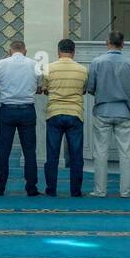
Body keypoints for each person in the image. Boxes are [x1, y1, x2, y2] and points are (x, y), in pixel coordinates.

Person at [84, 32, 130, 198]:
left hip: (103, 111)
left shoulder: (96, 62)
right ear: (123, 44)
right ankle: (126, 190)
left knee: (100, 152)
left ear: (106, 42)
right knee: (126, 153)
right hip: (124, 112)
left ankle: (100, 190)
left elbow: (91, 88)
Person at [0, 39, 41, 196]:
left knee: (3, 151)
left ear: (9, 50)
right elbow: (39, 89)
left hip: (7, 110)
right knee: (29, 151)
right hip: (27, 110)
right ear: (25, 51)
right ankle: (31, 188)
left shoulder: (1, 63)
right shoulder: (34, 64)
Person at [42, 39, 88, 197]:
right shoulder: (82, 70)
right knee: (76, 154)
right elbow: (83, 90)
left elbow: (45, 90)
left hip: (54, 113)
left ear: (58, 51)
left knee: (52, 154)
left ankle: (51, 189)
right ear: (74, 52)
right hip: (75, 114)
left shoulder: (48, 68)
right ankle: (75, 190)